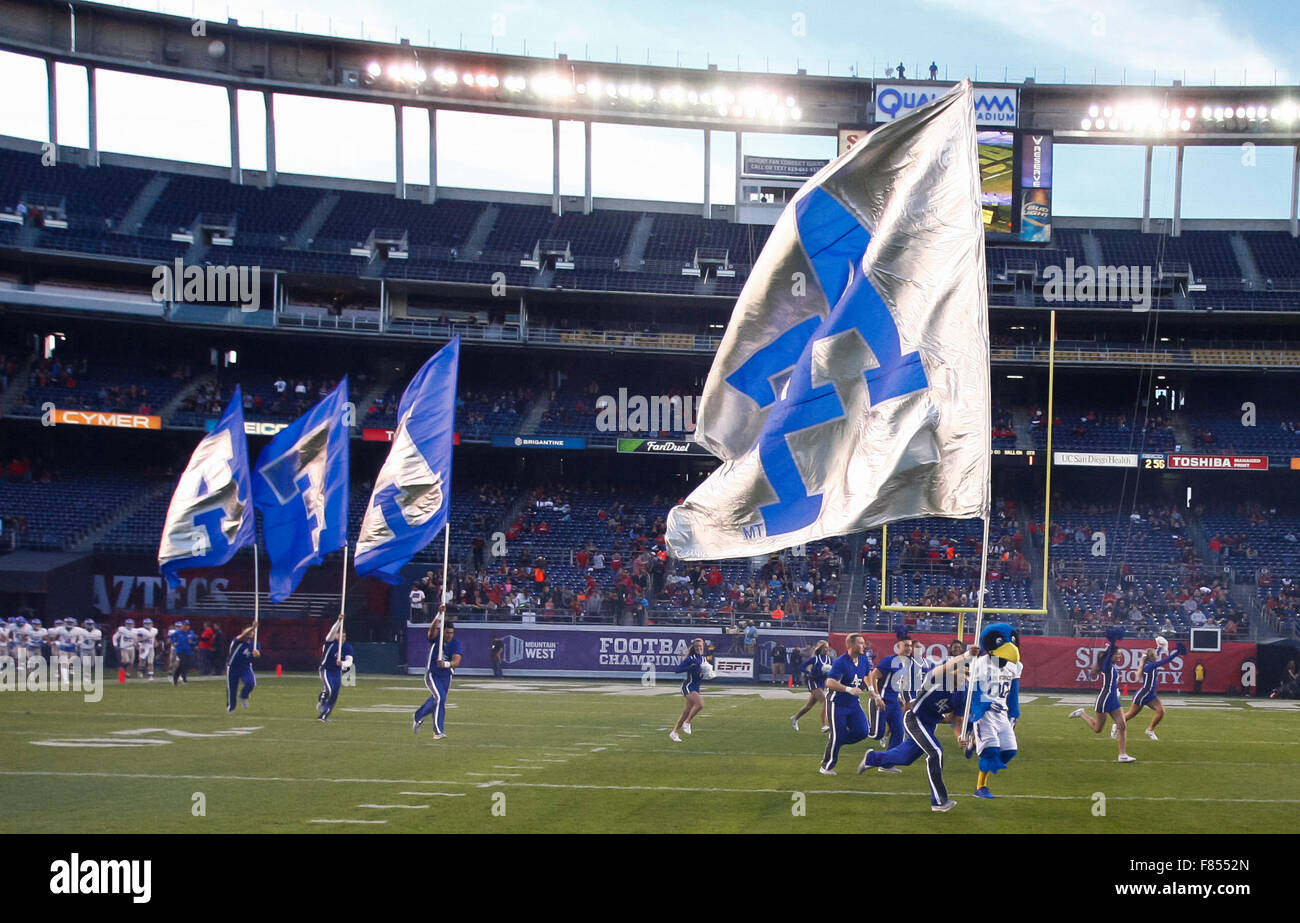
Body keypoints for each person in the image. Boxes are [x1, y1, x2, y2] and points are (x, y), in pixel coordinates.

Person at [861, 648, 974, 812]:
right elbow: (943, 667)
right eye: (963, 671)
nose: (965, 676)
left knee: (905, 757)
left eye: (968, 674)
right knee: (936, 752)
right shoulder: (937, 678)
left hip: (929, 724)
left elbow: (956, 720)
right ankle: (939, 801)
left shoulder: (963, 694)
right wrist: (966, 655)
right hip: (914, 719)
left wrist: (958, 736)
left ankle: (872, 758)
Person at [967, 623, 1022, 800]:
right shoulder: (981, 663)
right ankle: (980, 787)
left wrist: (1014, 711)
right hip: (985, 714)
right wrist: (986, 704)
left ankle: (974, 741)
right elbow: (973, 691)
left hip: (1003, 714)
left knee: (1009, 751)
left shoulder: (1014, 666)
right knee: (990, 751)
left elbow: (1013, 690)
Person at [1068, 627, 1136, 762]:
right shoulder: (1106, 665)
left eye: (1121, 654)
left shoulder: (1112, 665)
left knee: (1122, 725)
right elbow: (1110, 650)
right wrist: (1113, 641)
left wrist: (1114, 641)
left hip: (1113, 699)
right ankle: (1082, 713)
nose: (1120, 656)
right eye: (1117, 654)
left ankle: (1122, 755)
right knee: (1097, 729)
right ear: (1111, 655)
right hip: (1104, 699)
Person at [820, 634, 874, 775]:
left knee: (863, 731)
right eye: (861, 643)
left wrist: (872, 690)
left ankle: (838, 739)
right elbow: (829, 682)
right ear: (851, 645)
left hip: (853, 703)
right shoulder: (841, 662)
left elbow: (868, 675)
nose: (864, 645)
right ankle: (826, 766)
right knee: (837, 735)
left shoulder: (863, 660)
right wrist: (848, 689)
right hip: (837, 703)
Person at [1117, 641, 1184, 741]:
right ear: (1152, 657)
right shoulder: (1149, 666)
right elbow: (1166, 661)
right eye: (1156, 654)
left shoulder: (1150, 663)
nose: (1157, 655)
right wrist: (1177, 653)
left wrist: (1160, 647)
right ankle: (1116, 725)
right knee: (1130, 715)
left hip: (1151, 695)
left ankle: (1150, 730)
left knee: (1161, 712)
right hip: (1143, 695)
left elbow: (1157, 654)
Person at [414, 612, 462, 739]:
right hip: (433, 675)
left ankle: (419, 715)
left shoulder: (456, 643)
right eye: (447, 632)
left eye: (451, 633)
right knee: (440, 698)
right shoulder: (437, 638)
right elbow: (431, 631)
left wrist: (446, 664)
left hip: (446, 676)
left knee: (437, 699)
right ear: (443, 631)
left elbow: (456, 662)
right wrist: (439, 614)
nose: (449, 635)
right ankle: (438, 731)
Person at [867, 634, 911, 755]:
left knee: (899, 732)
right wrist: (877, 697)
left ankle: (887, 763)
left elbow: (893, 683)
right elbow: (873, 676)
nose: (909, 648)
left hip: (894, 703)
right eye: (906, 645)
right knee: (877, 734)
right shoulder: (889, 660)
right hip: (882, 701)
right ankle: (857, 725)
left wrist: (899, 696)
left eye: (910, 646)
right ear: (898, 646)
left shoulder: (906, 663)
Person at [792, 640, 833, 732]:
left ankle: (795, 718)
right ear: (821, 648)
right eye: (825, 647)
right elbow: (801, 667)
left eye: (827, 647)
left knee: (809, 706)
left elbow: (834, 670)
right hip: (813, 682)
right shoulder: (815, 659)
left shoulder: (830, 659)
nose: (827, 649)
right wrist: (808, 673)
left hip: (822, 683)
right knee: (826, 701)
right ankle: (824, 725)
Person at [670, 638, 706, 742]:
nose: (699, 648)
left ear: (703, 647)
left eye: (700, 646)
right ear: (694, 648)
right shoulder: (691, 659)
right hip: (688, 686)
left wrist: (707, 674)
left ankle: (674, 732)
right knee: (700, 704)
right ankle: (687, 722)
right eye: (696, 647)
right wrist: (690, 667)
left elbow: (701, 674)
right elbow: (677, 670)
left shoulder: (704, 660)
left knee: (687, 711)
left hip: (696, 686)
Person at [317, 620, 354, 721]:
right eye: (341, 636)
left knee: (334, 693)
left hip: (336, 672)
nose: (343, 638)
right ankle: (322, 700)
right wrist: (339, 621)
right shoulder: (330, 642)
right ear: (336, 635)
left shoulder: (347, 647)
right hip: (326, 670)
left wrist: (342, 663)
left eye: (344, 636)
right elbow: (332, 632)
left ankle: (324, 715)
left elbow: (349, 661)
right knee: (329, 689)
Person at [225, 624, 260, 713]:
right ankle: (231, 707)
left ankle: (243, 696)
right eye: (249, 631)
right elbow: (241, 637)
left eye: (252, 632)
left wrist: (256, 654)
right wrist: (252, 627)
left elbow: (257, 654)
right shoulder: (237, 641)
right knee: (232, 688)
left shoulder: (255, 643)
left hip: (245, 667)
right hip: (233, 667)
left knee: (251, 683)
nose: (251, 633)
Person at [169, 620, 195, 685]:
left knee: (185, 664)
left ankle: (176, 678)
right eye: (185, 625)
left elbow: (195, 641)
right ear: (182, 626)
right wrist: (173, 642)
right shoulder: (178, 632)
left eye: (187, 625)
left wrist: (192, 642)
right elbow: (171, 636)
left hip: (188, 650)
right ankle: (184, 678)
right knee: (183, 663)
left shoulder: (191, 633)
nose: (186, 627)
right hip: (180, 650)